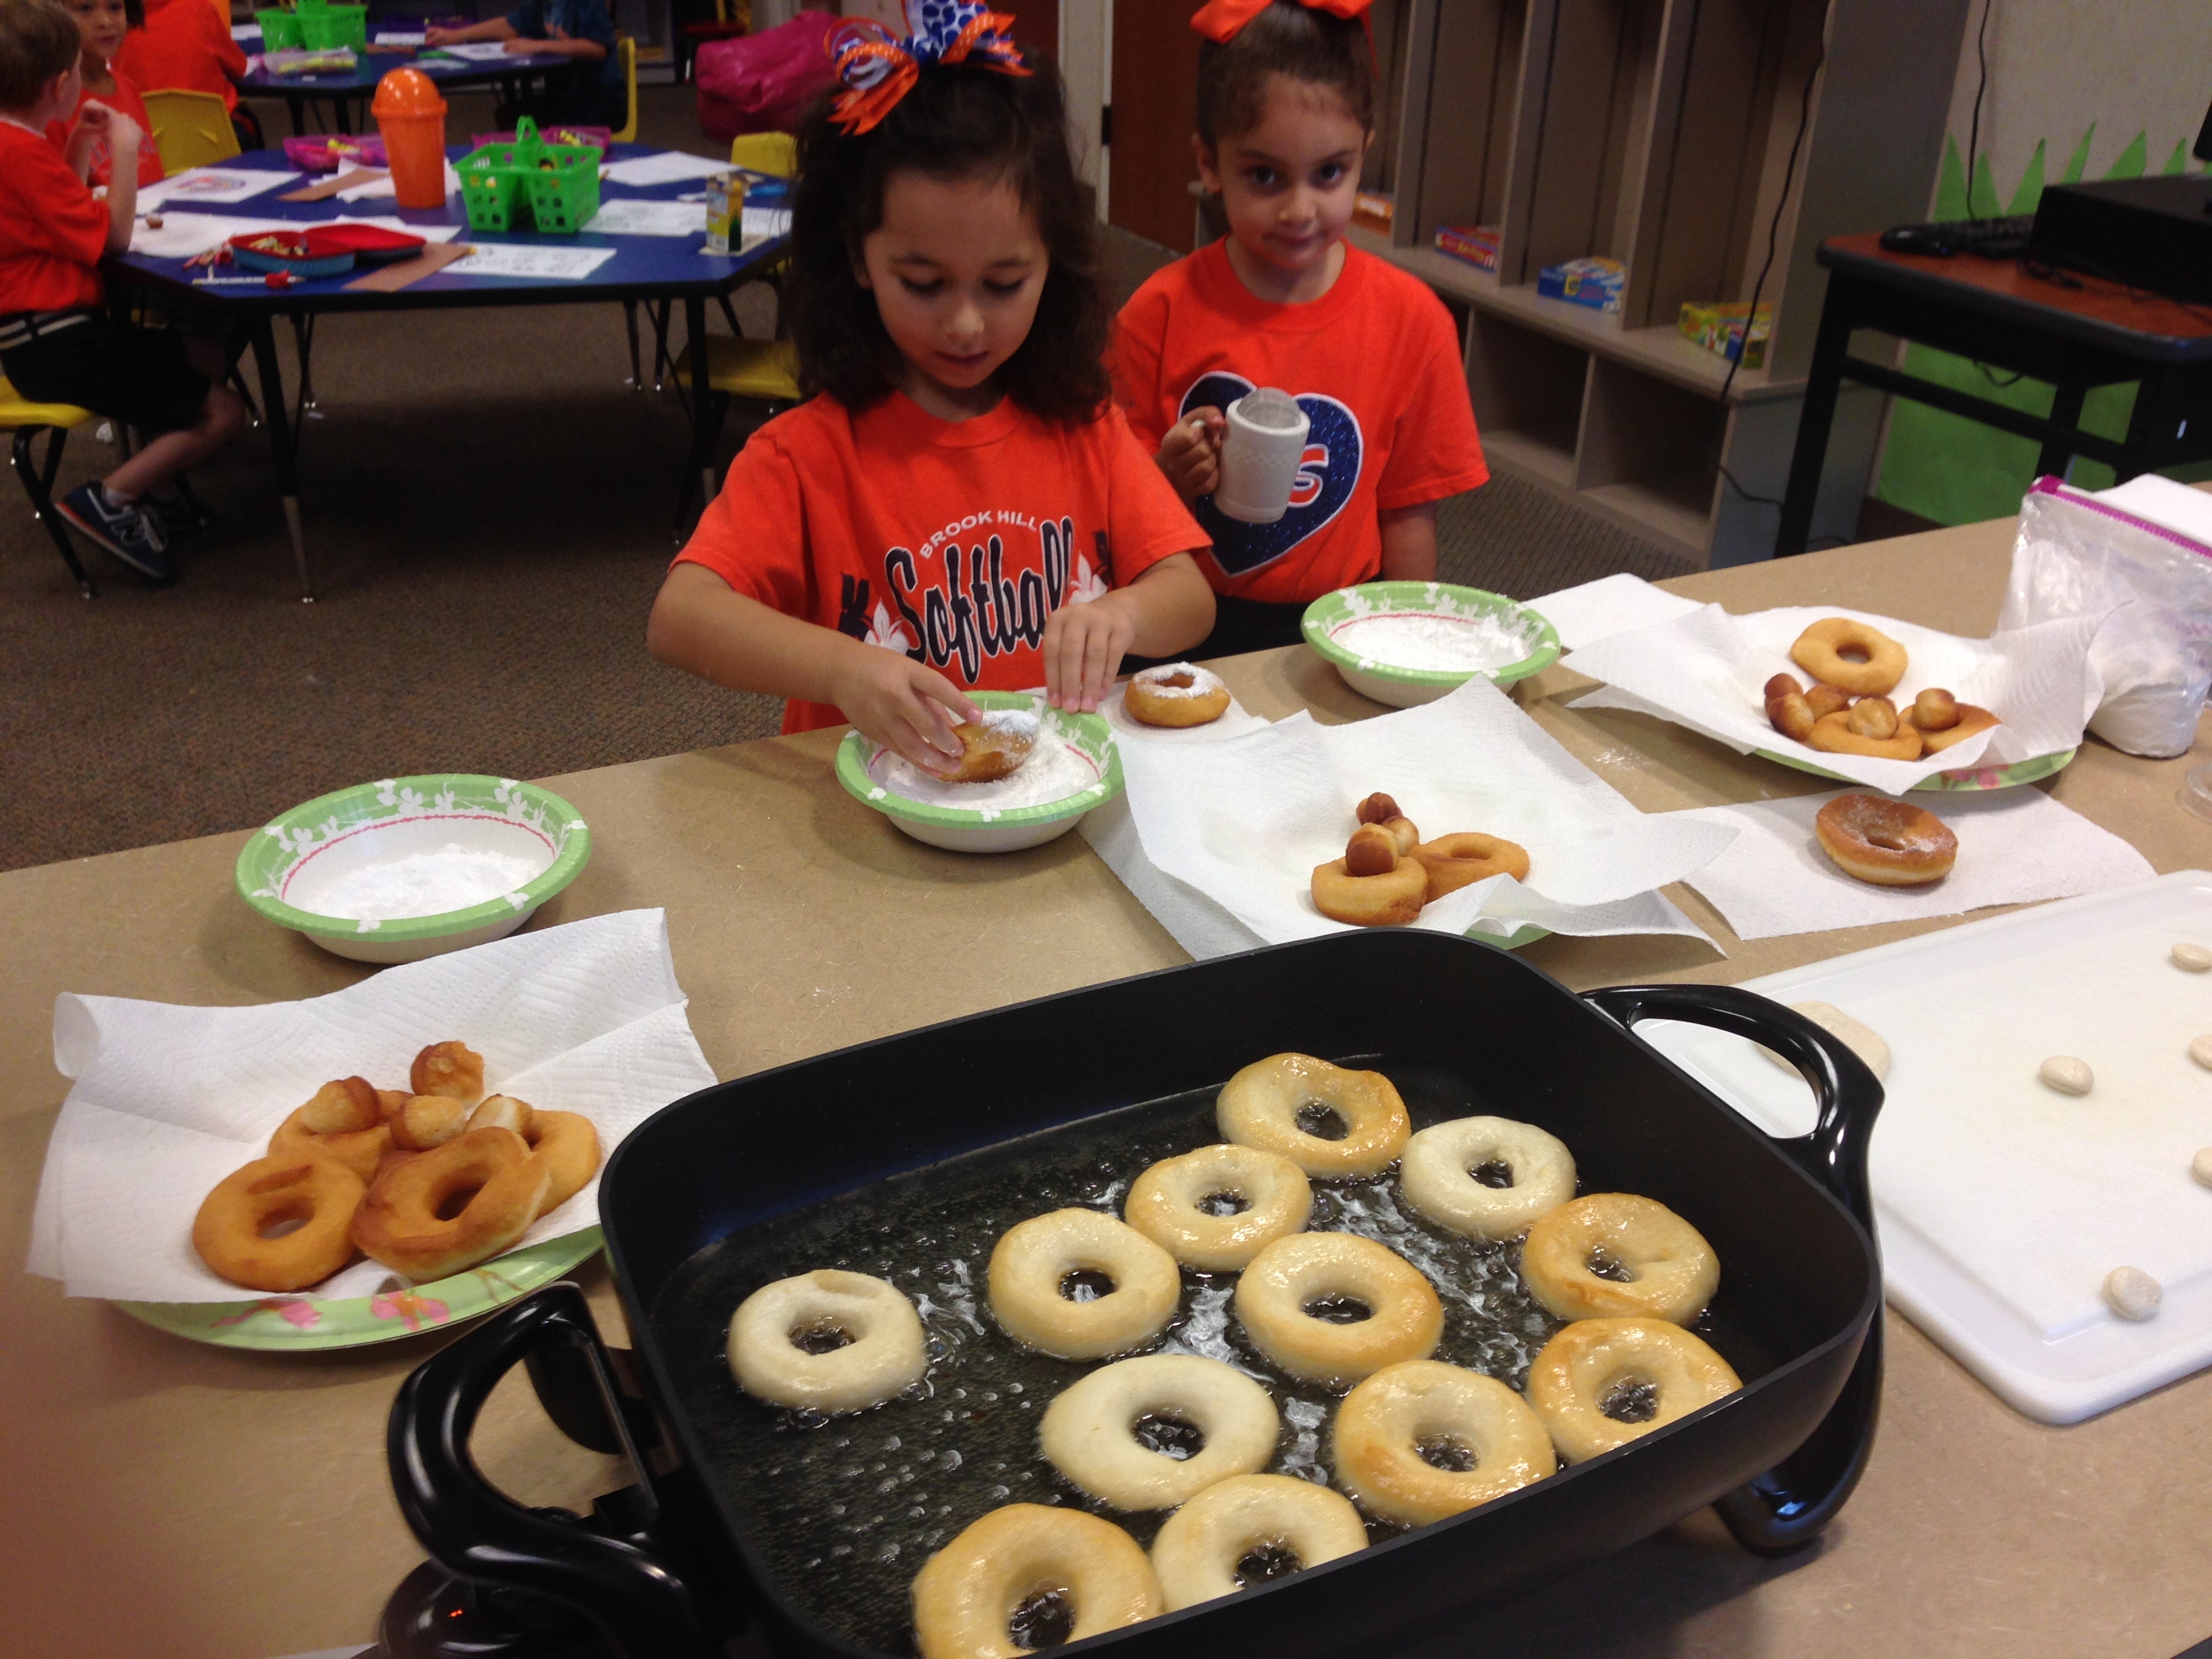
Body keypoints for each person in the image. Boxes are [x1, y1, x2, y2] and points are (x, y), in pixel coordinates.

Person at [647, 6, 1215, 772]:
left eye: (1005, 283)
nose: (966, 324)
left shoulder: (1083, 427)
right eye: (922, 284)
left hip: (1049, 810)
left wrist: (1125, 613)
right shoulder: (809, 452)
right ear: (857, 258)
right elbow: (681, 618)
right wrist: (842, 669)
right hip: (875, 833)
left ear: (1053, 262)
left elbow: (1191, 594)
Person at [1111, 0, 1489, 659]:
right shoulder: (1158, 313)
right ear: (1210, 164)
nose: (1299, 209)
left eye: (1329, 173)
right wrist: (1168, 475)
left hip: (1345, 623)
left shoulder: (1414, 321)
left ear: (1364, 154)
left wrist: (1406, 647)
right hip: (1183, 623)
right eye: (1263, 175)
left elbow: (1408, 512)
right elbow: (1110, 506)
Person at [0, 0, 247, 580]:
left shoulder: (17, 146)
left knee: (201, 352)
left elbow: (54, 204)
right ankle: (111, 496)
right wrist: (127, 147)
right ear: (62, 84)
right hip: (60, 346)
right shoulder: (24, 158)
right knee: (225, 412)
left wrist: (84, 141)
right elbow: (111, 238)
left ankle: (155, 489)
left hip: (45, 338)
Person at [424, 0, 621, 131]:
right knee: (511, 115)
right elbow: (511, 24)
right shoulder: (543, 3)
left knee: (518, 121)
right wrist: (455, 36)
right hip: (565, 99)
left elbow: (598, 48)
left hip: (595, 104)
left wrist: (539, 46)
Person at [110, 0, 252, 151]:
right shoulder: (199, 8)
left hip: (148, 150)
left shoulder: (115, 25)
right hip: (214, 143)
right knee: (248, 122)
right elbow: (239, 68)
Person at [46, 0, 162, 186]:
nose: (105, 22)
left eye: (115, 7)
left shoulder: (127, 87)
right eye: (86, 9)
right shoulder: (53, 103)